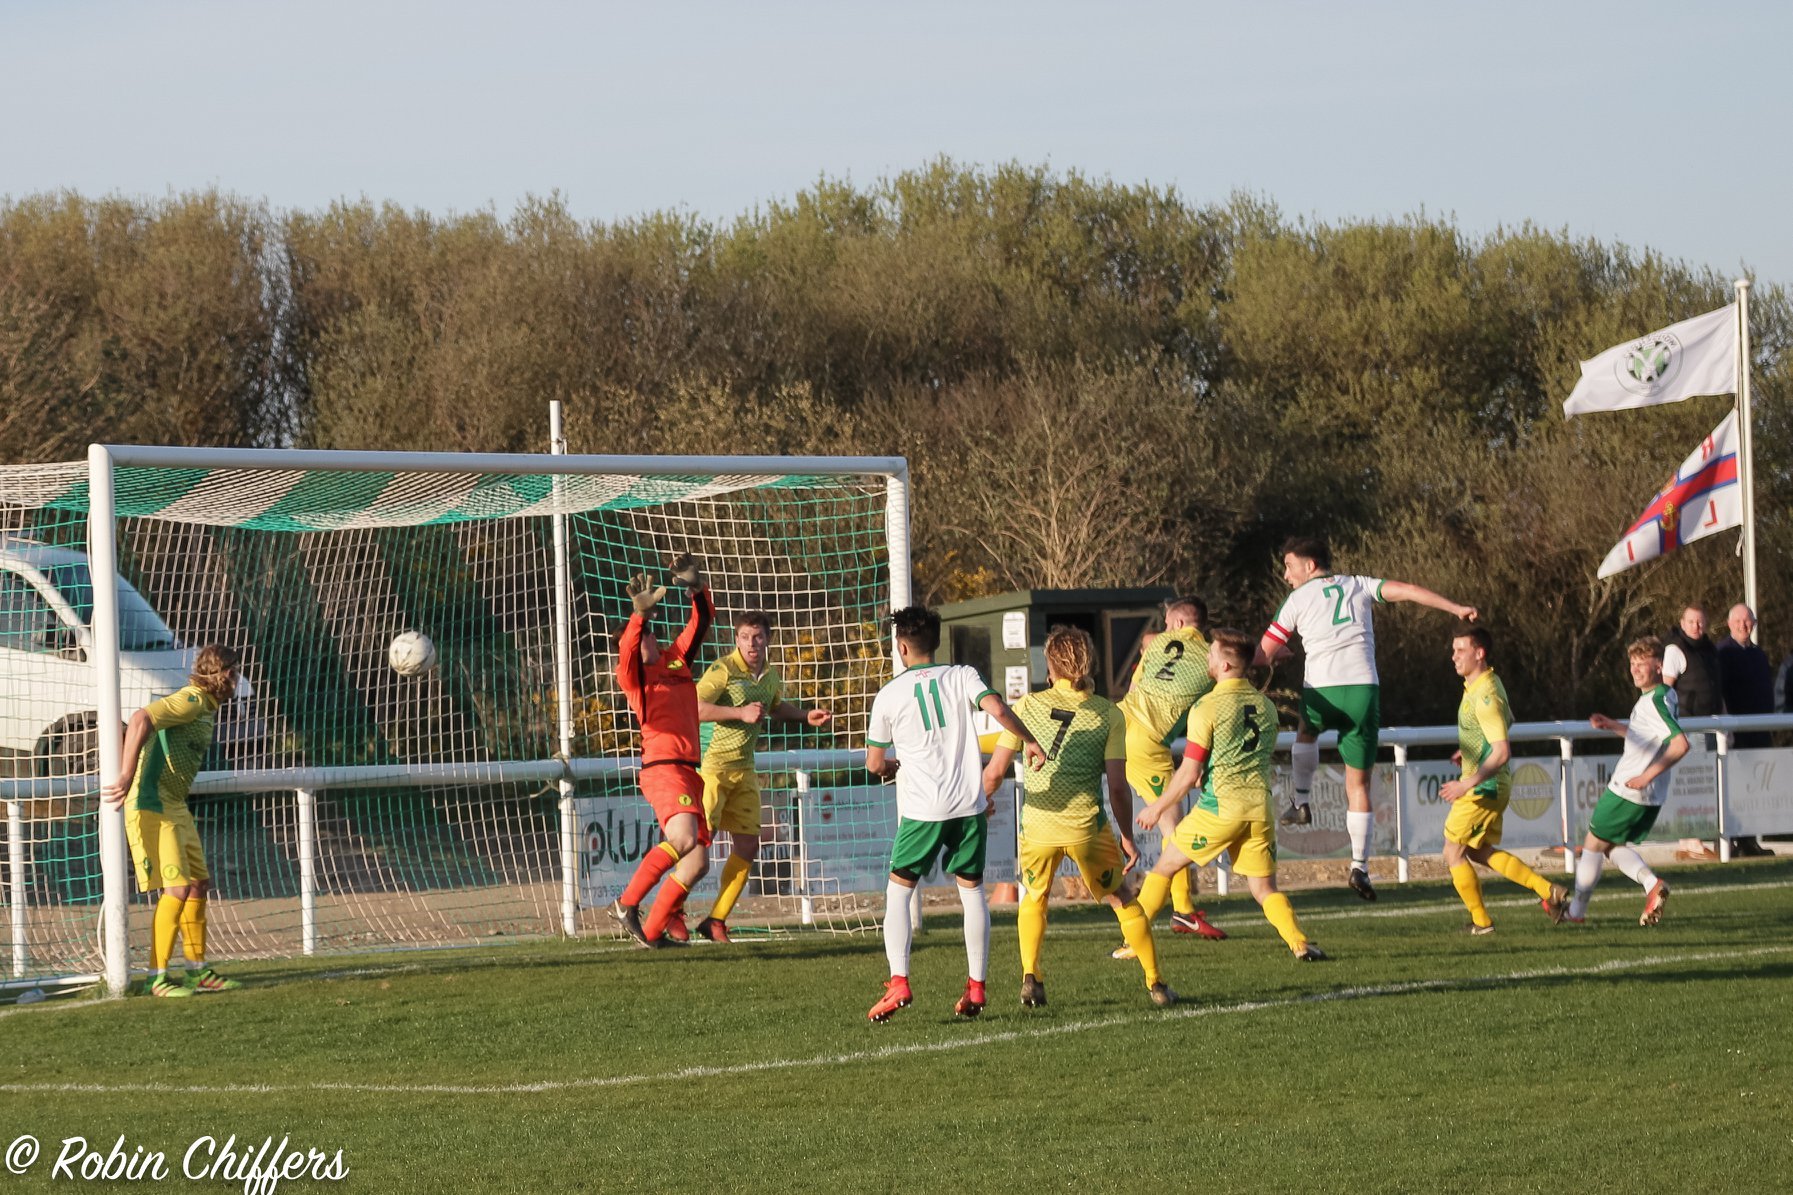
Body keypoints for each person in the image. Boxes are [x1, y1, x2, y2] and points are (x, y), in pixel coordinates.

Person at [1255, 536, 1478, 901]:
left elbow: (1262, 655)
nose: (1285, 575)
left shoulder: (1296, 600)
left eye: (1289, 566)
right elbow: (1406, 590)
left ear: (1310, 566)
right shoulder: (1359, 584)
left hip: (1322, 690)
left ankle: (1301, 801)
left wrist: (1269, 657)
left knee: (1306, 733)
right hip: (1362, 689)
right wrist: (1454, 608)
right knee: (1358, 785)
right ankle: (1360, 866)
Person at [863, 605, 1046, 1023]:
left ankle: (899, 981)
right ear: (936, 642)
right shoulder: (962, 675)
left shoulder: (890, 694)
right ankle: (977, 987)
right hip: (968, 806)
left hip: (922, 811)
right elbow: (997, 708)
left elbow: (874, 764)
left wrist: (892, 767)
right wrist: (1030, 741)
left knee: (899, 892)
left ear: (902, 646)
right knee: (971, 893)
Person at [981, 626, 1176, 1009]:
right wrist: (1127, 836)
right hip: (1086, 828)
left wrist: (977, 802)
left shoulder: (1027, 706)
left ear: (1050, 668)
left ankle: (1031, 977)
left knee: (1034, 898)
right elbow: (1118, 787)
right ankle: (1156, 984)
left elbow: (994, 772)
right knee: (1122, 898)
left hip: (1038, 825)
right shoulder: (1107, 713)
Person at [1133, 629, 1325, 961]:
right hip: (1259, 806)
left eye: (1211, 654)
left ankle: (1131, 944)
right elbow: (1237, 752)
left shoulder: (1206, 706)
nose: (1206, 658)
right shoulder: (1265, 706)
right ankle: (1299, 943)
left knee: (1164, 868)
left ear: (1224, 665)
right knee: (1265, 890)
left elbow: (1189, 772)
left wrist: (1157, 807)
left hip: (1221, 806)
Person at [101, 643, 245, 997]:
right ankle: (156, 977)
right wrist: (125, 774)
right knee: (177, 888)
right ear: (225, 674)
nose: (238, 680)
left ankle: (197, 972)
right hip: (151, 802)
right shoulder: (193, 700)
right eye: (236, 673)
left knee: (198, 884)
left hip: (175, 803)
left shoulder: (207, 706)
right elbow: (140, 719)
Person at [691, 610, 834, 943]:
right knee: (696, 846)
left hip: (745, 770)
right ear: (736, 639)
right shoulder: (722, 670)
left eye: (757, 637)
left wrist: (803, 715)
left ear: (768, 639)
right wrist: (738, 712)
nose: (751, 643)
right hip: (712, 769)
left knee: (748, 845)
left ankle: (716, 921)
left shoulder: (769, 676)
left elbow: (774, 706)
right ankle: (671, 912)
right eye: (744, 637)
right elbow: (693, 707)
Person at [610, 553, 715, 948]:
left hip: (689, 769)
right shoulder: (635, 676)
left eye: (651, 633)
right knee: (685, 840)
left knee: (697, 862)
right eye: (643, 637)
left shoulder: (676, 661)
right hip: (663, 768)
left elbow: (701, 623)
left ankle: (651, 934)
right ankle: (626, 903)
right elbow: (627, 648)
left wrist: (695, 586)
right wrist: (639, 618)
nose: (650, 639)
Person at [1436, 625, 1569, 933]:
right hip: (1491, 783)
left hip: (1484, 786)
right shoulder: (1486, 683)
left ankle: (1481, 922)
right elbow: (1506, 721)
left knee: (1452, 850)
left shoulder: (1485, 695)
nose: (1453, 656)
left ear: (1479, 653)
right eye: (1453, 649)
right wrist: (1469, 749)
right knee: (1477, 851)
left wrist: (1466, 783)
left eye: (1460, 650)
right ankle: (1547, 890)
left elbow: (1502, 751)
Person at [1112, 596, 1226, 952]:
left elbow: (1133, 687)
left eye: (1165, 621)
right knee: (1174, 830)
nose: (1163, 627)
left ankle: (1183, 910)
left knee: (1174, 828)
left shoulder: (1158, 643)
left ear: (1176, 624)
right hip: (1146, 740)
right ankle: (1169, 914)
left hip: (1121, 721)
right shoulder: (1211, 656)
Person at [1565, 637, 1689, 925]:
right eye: (1632, 664)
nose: (1634, 669)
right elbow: (1648, 737)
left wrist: (1646, 775)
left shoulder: (1655, 701)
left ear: (1658, 666)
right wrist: (1615, 726)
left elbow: (1680, 744)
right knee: (1609, 846)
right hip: (1649, 795)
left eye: (1641, 663)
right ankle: (1651, 885)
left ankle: (1575, 913)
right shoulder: (1664, 695)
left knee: (1593, 844)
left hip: (1628, 789)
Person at [1716, 604, 1775, 857]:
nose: (1743, 625)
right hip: (1735, 734)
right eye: (1738, 621)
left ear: (1754, 623)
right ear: (1729, 624)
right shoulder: (1722, 653)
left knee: (1756, 788)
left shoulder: (1759, 654)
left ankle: (1750, 841)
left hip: (1759, 733)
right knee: (1733, 789)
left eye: (1748, 621)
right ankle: (1729, 842)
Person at [1662, 605, 1722, 720]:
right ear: (1682, 624)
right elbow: (1666, 690)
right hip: (1689, 724)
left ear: (1706, 624)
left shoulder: (1711, 649)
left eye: (1700, 622)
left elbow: (1717, 687)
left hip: (1714, 722)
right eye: (1691, 622)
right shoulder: (1675, 650)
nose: (1696, 626)